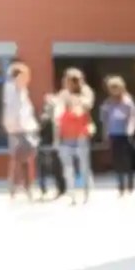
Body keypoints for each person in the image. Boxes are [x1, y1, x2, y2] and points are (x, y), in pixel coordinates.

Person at [54, 68, 95, 206]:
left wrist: (75, 103)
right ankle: (72, 196)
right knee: (68, 168)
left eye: (72, 81)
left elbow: (85, 107)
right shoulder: (62, 94)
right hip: (66, 135)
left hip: (81, 134)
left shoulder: (86, 92)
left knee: (84, 166)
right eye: (67, 80)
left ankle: (86, 193)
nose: (68, 83)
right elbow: (57, 116)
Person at [2, 62, 40, 200]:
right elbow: (16, 111)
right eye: (25, 75)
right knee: (21, 156)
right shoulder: (13, 87)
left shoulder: (20, 90)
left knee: (24, 158)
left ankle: (24, 186)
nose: (28, 78)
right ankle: (17, 186)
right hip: (19, 128)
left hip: (23, 127)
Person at [100, 76, 135, 197]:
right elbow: (105, 119)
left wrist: (130, 130)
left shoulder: (127, 101)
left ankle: (130, 185)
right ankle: (121, 186)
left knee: (127, 160)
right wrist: (105, 133)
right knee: (117, 162)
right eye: (112, 88)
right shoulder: (107, 103)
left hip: (125, 134)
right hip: (113, 134)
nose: (114, 90)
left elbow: (134, 116)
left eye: (116, 88)